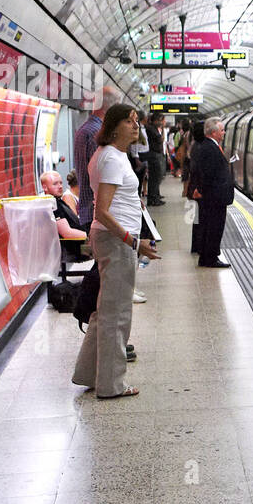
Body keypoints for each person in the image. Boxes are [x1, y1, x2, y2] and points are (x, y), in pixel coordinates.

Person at [72, 104, 159, 398]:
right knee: (117, 315)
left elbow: (117, 198)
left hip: (115, 238)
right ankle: (111, 384)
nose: (136, 126)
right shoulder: (110, 157)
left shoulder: (114, 156)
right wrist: (134, 242)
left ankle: (89, 373)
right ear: (113, 127)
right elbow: (103, 211)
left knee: (105, 310)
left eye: (137, 121)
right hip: (116, 240)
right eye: (129, 121)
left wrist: (136, 205)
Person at [190, 116, 234, 268]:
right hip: (214, 198)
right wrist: (202, 191)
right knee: (213, 227)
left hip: (213, 196)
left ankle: (209, 256)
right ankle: (210, 258)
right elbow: (207, 174)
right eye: (222, 130)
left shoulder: (209, 146)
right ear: (214, 132)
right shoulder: (210, 148)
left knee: (211, 227)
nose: (224, 133)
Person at [73, 92, 111, 229]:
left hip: (88, 209)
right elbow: (100, 177)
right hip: (97, 213)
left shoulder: (85, 129)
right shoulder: (97, 133)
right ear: (109, 108)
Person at [146, 112, 168, 205]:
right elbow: (160, 139)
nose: (163, 122)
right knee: (154, 177)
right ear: (156, 120)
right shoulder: (150, 129)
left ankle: (156, 195)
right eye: (162, 120)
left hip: (157, 154)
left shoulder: (155, 129)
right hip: (153, 154)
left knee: (157, 176)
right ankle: (153, 198)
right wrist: (162, 130)